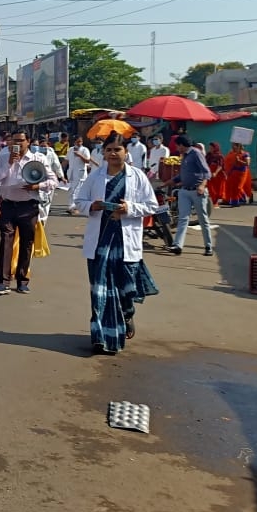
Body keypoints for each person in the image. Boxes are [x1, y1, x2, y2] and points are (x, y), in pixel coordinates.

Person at [74, 132, 159, 355]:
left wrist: (128, 209)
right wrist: (94, 206)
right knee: (100, 291)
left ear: (126, 152)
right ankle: (101, 337)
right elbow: (79, 201)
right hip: (99, 242)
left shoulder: (138, 177)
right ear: (103, 153)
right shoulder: (95, 176)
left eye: (117, 149)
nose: (113, 153)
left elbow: (151, 206)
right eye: (109, 149)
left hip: (125, 242)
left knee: (124, 291)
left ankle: (127, 314)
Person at [0, 130, 57, 295]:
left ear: (28, 142)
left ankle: (22, 281)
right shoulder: (4, 158)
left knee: (27, 244)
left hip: (28, 206)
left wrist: (37, 186)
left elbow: (53, 180)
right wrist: (8, 164)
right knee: (6, 241)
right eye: (14, 141)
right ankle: (3, 282)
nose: (17, 144)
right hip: (8, 205)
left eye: (20, 141)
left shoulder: (38, 159)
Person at [169, 135, 213, 257]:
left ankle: (208, 246)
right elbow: (183, 174)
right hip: (184, 191)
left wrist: (202, 186)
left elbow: (206, 172)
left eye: (177, 145)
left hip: (197, 191)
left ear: (182, 145)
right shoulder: (184, 156)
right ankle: (177, 245)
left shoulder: (196, 153)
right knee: (183, 218)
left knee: (203, 219)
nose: (177, 148)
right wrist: (170, 181)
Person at [37, 136, 66, 226]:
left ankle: (43, 221)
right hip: (37, 180)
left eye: (44, 146)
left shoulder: (52, 154)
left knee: (47, 202)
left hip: (49, 180)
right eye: (41, 146)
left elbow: (57, 165)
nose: (43, 148)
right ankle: (39, 219)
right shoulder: (35, 154)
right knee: (38, 201)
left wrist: (62, 177)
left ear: (48, 145)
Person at [66, 136, 93, 216]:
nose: (79, 143)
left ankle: (74, 208)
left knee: (76, 191)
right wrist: (61, 173)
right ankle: (71, 206)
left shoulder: (85, 150)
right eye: (77, 141)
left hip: (80, 174)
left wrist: (80, 155)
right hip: (71, 173)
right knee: (71, 190)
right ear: (74, 142)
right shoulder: (70, 150)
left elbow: (87, 160)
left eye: (80, 141)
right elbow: (66, 160)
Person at [221, 142, 252, 207]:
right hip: (233, 172)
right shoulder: (233, 154)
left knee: (238, 187)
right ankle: (235, 201)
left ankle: (241, 199)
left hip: (241, 173)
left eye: (234, 146)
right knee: (233, 187)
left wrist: (239, 161)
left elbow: (247, 164)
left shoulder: (245, 154)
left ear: (239, 147)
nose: (232, 147)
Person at [206, 142, 227, 207]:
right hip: (209, 173)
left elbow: (220, 165)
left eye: (212, 148)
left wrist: (215, 172)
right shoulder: (208, 155)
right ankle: (213, 201)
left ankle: (216, 202)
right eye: (210, 147)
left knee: (218, 189)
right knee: (210, 188)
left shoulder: (219, 156)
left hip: (218, 175)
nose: (210, 149)